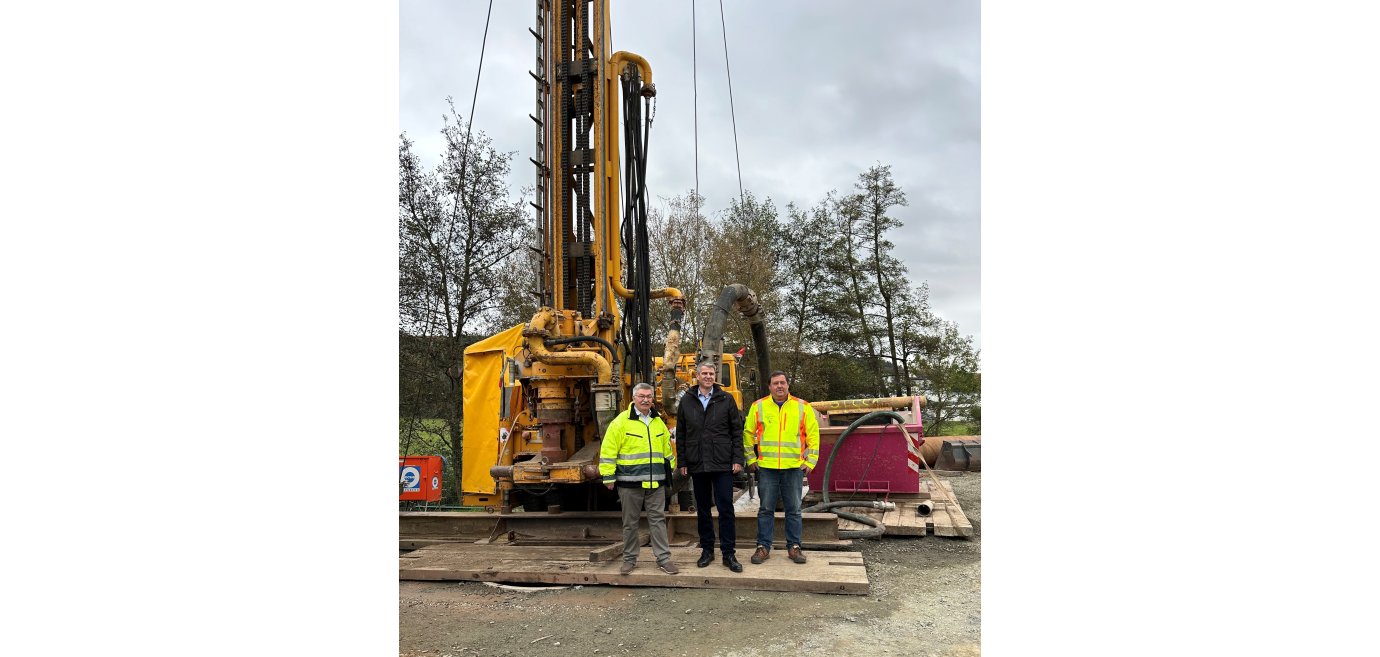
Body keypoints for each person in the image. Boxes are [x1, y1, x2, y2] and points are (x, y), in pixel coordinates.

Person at [599, 382, 680, 575]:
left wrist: (671, 466)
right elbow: (609, 450)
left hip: (656, 483)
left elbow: (666, 448)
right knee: (630, 523)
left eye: (649, 397)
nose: (645, 400)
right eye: (641, 396)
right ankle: (629, 560)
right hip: (630, 483)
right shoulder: (621, 422)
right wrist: (608, 476)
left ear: (653, 399)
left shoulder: (657, 421)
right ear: (634, 398)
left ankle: (664, 559)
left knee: (658, 520)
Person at [742, 371, 819, 565]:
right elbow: (747, 433)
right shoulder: (758, 406)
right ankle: (763, 547)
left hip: (793, 468)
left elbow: (813, 436)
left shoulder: (802, 407)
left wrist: (810, 462)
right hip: (766, 468)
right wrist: (751, 458)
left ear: (787, 385)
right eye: (775, 383)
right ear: (769, 387)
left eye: (782, 383)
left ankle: (794, 547)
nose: (779, 386)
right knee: (765, 509)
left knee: (793, 510)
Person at [676, 361, 746, 572]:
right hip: (698, 463)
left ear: (715, 376)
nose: (708, 376)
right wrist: (683, 461)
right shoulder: (687, 400)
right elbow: (681, 433)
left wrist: (737, 459)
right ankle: (707, 550)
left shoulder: (726, 398)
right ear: (697, 376)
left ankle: (728, 553)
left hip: (723, 462)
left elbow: (736, 431)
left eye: (711, 373)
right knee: (703, 509)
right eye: (704, 373)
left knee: (726, 508)